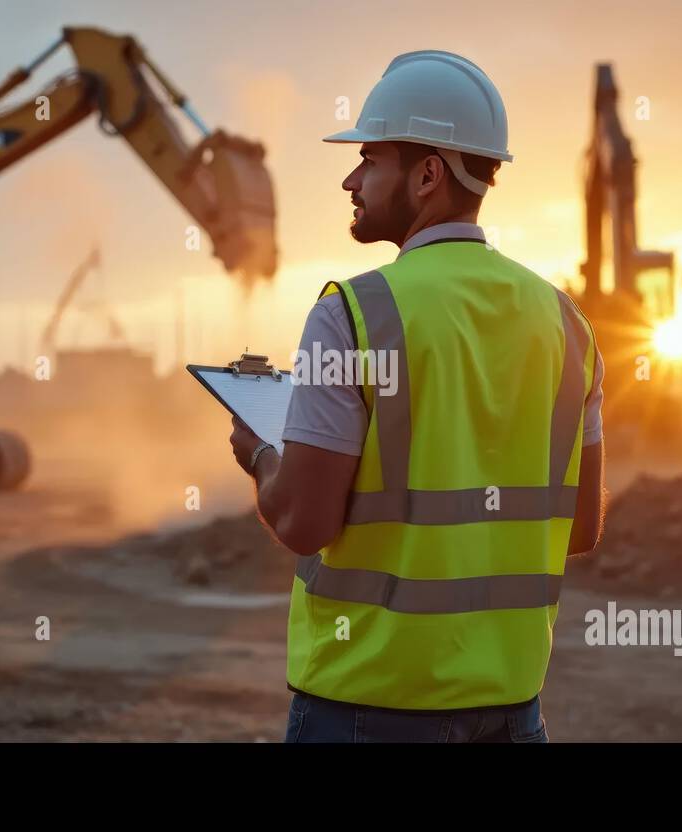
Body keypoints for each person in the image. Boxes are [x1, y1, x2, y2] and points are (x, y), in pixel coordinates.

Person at [229, 50, 606, 743]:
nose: (351, 178)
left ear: (428, 173)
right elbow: (579, 529)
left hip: (367, 710)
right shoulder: (566, 323)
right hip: (512, 714)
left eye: (370, 159)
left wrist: (261, 453)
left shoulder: (352, 314)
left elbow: (303, 523)